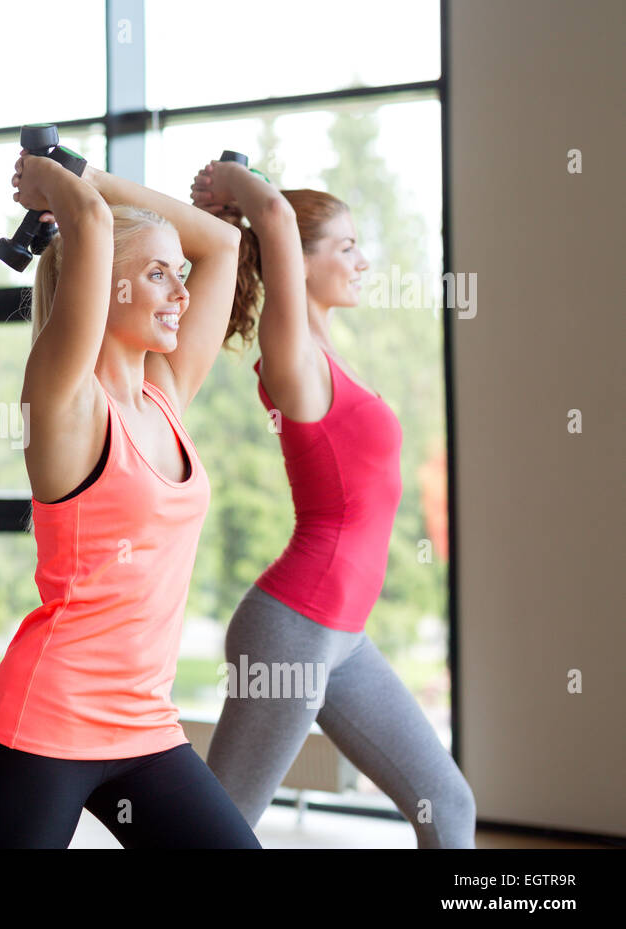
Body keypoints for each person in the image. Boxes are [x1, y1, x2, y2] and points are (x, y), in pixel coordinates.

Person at [0, 149, 261, 848]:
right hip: (46, 719)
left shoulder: (166, 394)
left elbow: (226, 244)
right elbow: (88, 223)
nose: (181, 294)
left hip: (146, 724)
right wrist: (59, 183)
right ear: (101, 286)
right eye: (156, 275)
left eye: (179, 278)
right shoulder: (66, 403)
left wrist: (92, 181)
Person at [193, 158, 476, 848]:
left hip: (342, 638)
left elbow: (277, 225)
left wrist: (246, 198)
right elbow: (276, 218)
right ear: (301, 258)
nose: (363, 261)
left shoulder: (328, 350)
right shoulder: (293, 356)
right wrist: (236, 182)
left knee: (448, 801)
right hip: (293, 631)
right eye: (346, 247)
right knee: (220, 833)